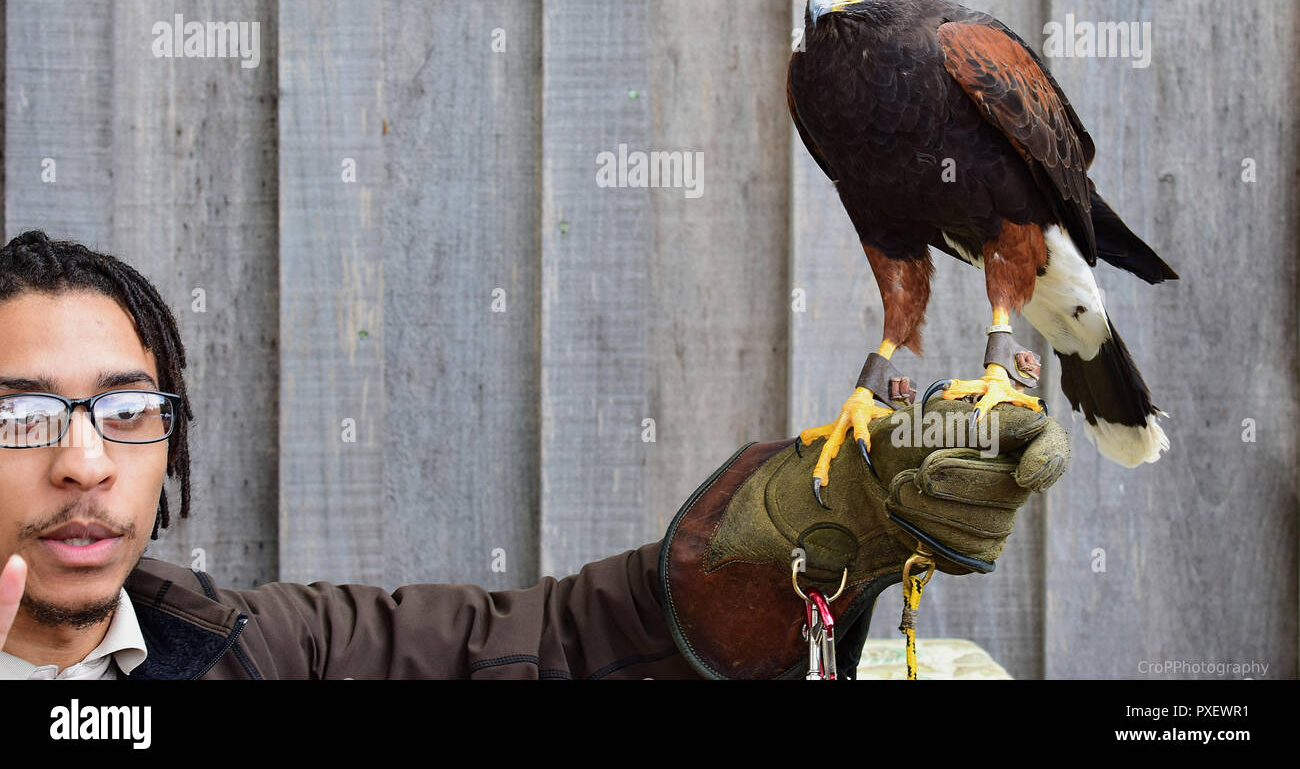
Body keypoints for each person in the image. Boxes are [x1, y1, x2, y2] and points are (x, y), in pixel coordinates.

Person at [0, 230, 1068, 680]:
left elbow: (544, 648)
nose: (85, 462)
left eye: (129, 408)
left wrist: (803, 525)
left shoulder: (246, 648)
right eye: (24, 418)